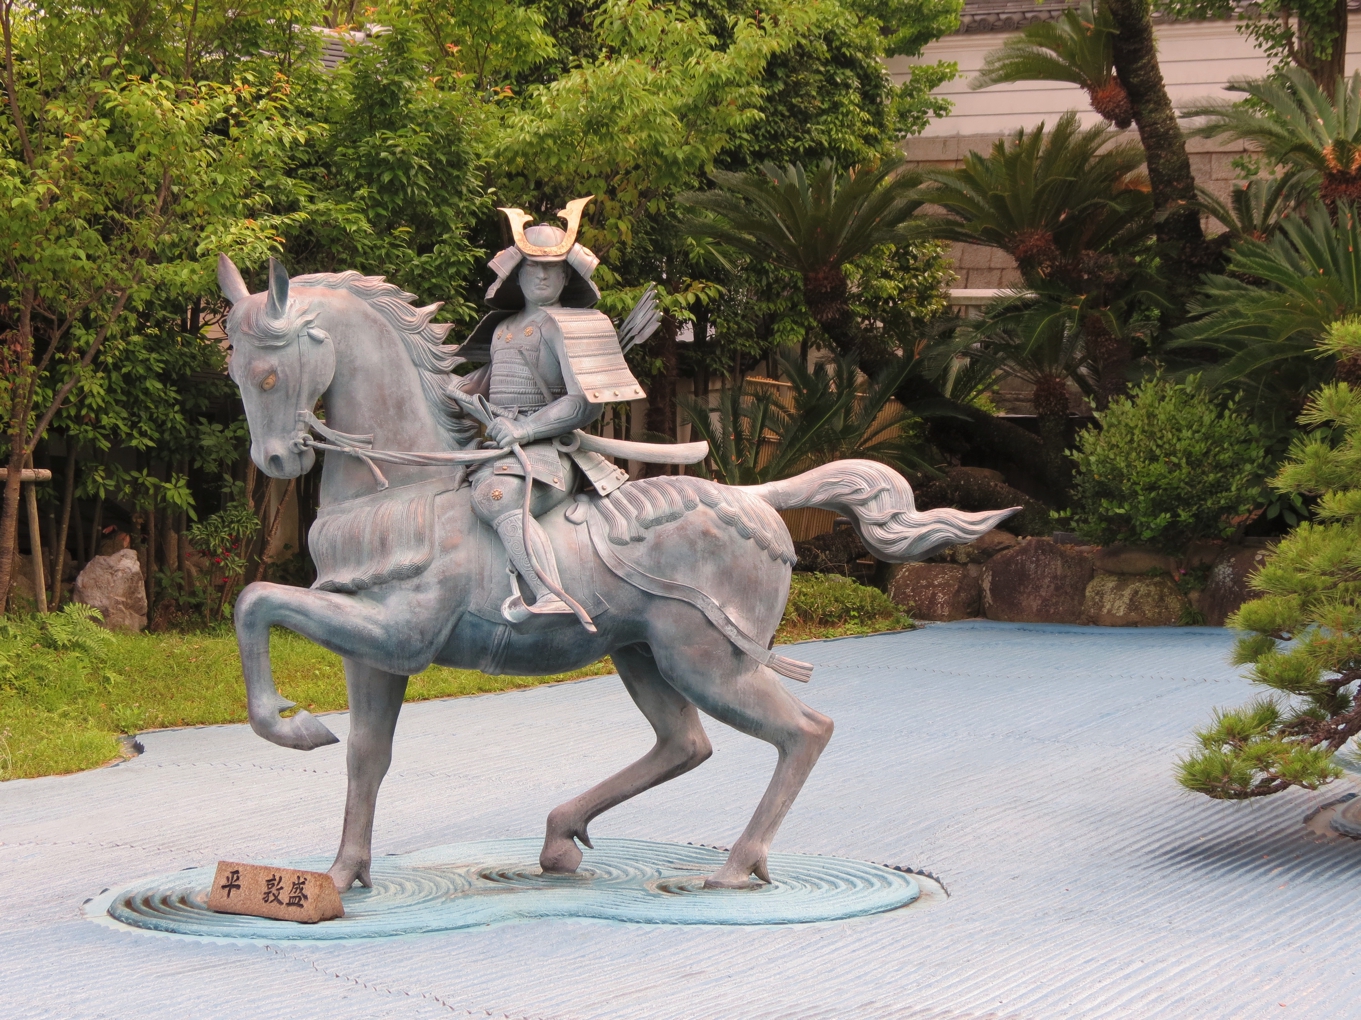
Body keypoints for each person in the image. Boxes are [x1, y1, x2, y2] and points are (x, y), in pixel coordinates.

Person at [450, 202, 645, 626]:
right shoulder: (502, 329)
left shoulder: (573, 325)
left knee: (496, 497)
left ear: (567, 276)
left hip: (552, 455)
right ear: (515, 274)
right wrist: (454, 392)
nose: (541, 276)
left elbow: (585, 401)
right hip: (499, 449)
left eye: (553, 269)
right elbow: (485, 382)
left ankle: (550, 593)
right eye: (532, 268)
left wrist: (524, 428)